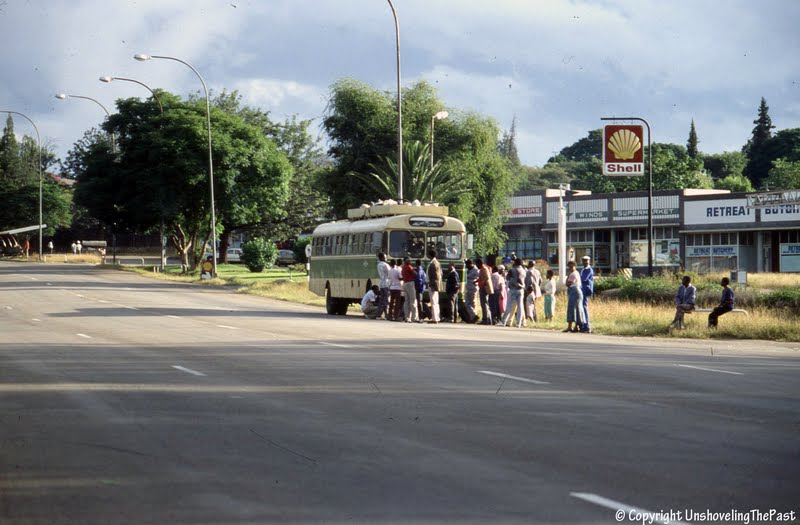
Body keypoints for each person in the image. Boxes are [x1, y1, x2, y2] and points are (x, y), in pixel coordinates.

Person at [500, 258, 527, 327]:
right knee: (520, 306)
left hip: (513, 289)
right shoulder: (524, 270)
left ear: (515, 263)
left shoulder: (512, 270)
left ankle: (503, 321)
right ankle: (519, 323)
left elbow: (508, 278)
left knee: (509, 306)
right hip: (521, 289)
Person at [564, 260, 585, 332]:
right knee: (576, 308)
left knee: (573, 308)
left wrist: (568, 277)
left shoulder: (573, 274)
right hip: (576, 291)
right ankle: (575, 326)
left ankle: (572, 326)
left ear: (575, 266)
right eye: (569, 267)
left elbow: (568, 283)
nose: (570, 268)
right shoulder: (575, 273)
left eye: (571, 266)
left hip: (575, 291)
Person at [476, 258, 494, 325]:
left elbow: (487, 278)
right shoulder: (482, 269)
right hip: (483, 287)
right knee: (484, 304)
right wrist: (477, 281)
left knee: (484, 304)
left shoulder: (484, 269)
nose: (477, 266)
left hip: (484, 288)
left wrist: (482, 283)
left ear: (480, 263)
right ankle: (487, 319)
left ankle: (485, 319)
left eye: (477, 265)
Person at [401, 257, 419, 323]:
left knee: (407, 301)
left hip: (405, 283)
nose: (410, 261)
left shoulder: (403, 267)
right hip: (410, 284)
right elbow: (415, 274)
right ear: (406, 261)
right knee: (413, 301)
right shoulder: (408, 267)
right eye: (408, 260)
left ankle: (407, 317)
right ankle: (415, 317)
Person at [427, 249, 442, 324]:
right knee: (435, 302)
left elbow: (434, 276)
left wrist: (432, 285)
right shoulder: (437, 263)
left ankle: (435, 319)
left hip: (433, 285)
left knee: (433, 302)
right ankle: (436, 317)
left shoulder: (433, 264)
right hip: (435, 285)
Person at [579, 255, 594, 333]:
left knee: (584, 308)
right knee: (582, 308)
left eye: (586, 260)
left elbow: (583, 279)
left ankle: (587, 326)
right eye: (584, 260)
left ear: (589, 261)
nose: (585, 262)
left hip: (585, 290)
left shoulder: (588, 270)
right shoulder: (583, 269)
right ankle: (583, 325)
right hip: (582, 290)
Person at [464, 259, 479, 323]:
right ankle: (473, 316)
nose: (466, 266)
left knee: (473, 304)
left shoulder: (476, 270)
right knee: (467, 303)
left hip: (473, 289)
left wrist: (476, 281)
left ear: (471, 264)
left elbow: (480, 277)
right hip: (468, 289)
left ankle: (474, 317)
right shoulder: (467, 270)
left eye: (467, 264)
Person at [376, 252, 391, 319]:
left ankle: (379, 315)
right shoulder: (385, 265)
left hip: (381, 284)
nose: (386, 258)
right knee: (386, 300)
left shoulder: (378, 265)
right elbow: (390, 273)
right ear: (381, 257)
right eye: (385, 257)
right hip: (386, 284)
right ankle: (386, 314)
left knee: (381, 300)